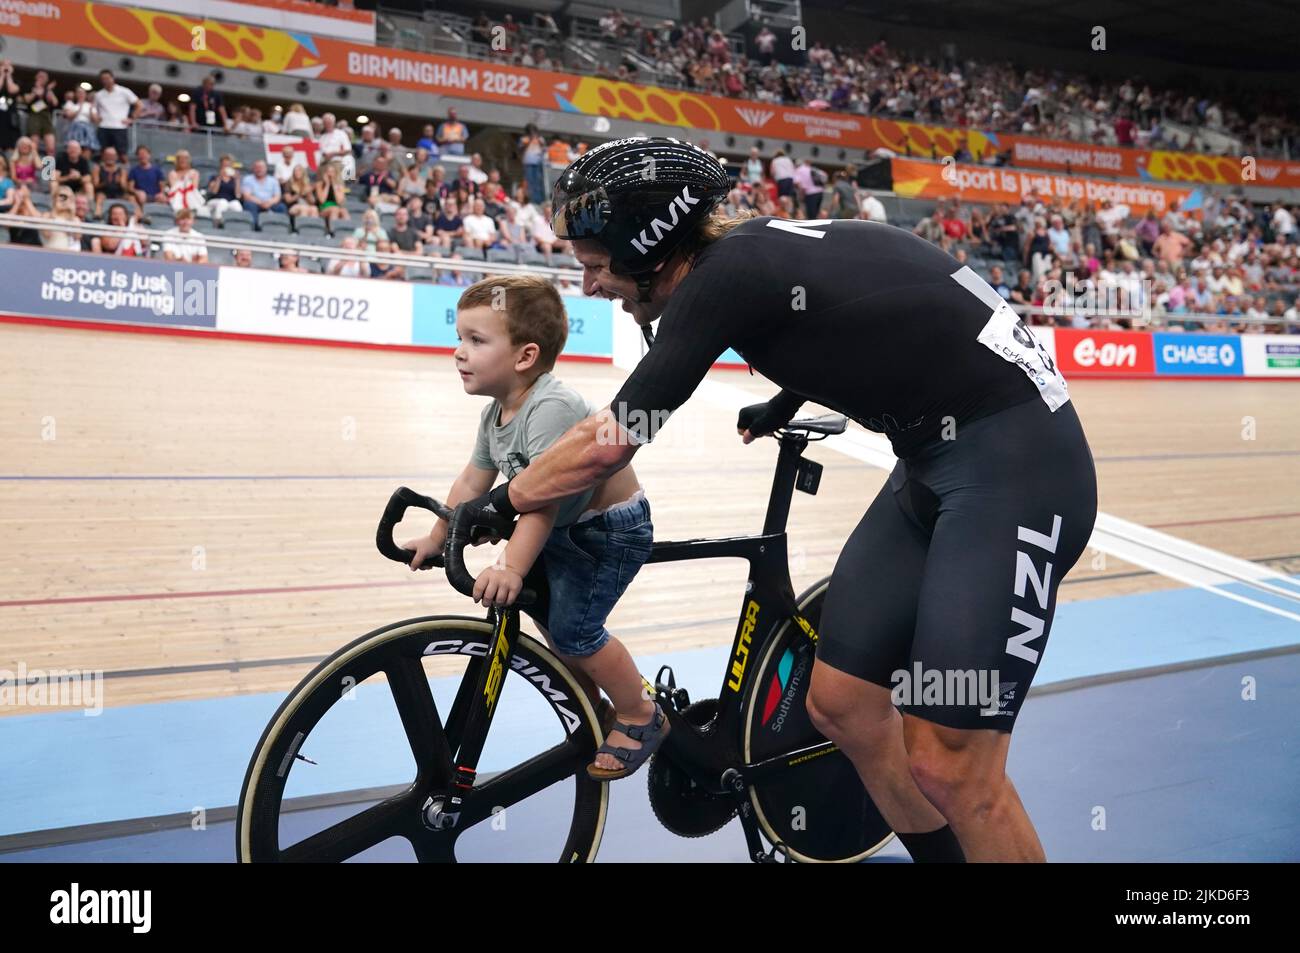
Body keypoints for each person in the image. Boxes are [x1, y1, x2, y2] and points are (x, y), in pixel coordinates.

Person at [455, 137, 1097, 862]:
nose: (591, 284)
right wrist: (786, 395)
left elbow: (614, 438)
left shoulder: (724, 278)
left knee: (952, 764)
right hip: (938, 463)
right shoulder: (746, 261)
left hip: (1020, 471)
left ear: (647, 247)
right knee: (844, 707)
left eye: (597, 265)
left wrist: (502, 500)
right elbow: (854, 306)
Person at [403, 274, 662, 778]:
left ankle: (640, 713)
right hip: (564, 524)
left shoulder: (550, 406)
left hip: (607, 529)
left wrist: (509, 567)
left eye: (475, 341)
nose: (459, 352)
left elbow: (541, 503)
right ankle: (593, 705)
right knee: (550, 618)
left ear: (524, 357)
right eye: (460, 338)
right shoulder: (495, 414)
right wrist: (438, 537)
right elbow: (472, 482)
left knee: (575, 630)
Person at [92, 70, 138, 157]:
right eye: (103, 79)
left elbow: (139, 105)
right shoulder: (98, 94)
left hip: (119, 127)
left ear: (113, 78)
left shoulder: (124, 91)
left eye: (107, 78)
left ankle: (124, 170)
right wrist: (96, 117)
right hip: (103, 127)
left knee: (122, 154)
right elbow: (94, 108)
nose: (106, 80)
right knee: (103, 153)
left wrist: (131, 119)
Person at [241, 159, 286, 227]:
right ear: (253, 169)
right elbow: (246, 196)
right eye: (257, 167)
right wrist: (261, 203)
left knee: (281, 207)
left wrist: (269, 203)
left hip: (270, 203)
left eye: (261, 167)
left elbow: (277, 196)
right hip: (255, 203)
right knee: (249, 204)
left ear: (266, 169)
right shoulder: (248, 179)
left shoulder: (273, 180)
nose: (259, 169)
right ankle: (255, 226)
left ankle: (281, 227)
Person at [91, 145, 130, 219]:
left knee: (132, 198)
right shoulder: (97, 168)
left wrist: (121, 182)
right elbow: (95, 185)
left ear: (116, 157)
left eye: (112, 155)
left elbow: (125, 188)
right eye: (108, 155)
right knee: (100, 196)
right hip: (104, 192)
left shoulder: (122, 170)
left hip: (118, 193)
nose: (110, 157)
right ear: (104, 156)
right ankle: (98, 214)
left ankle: (140, 215)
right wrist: (105, 182)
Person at [203, 153, 243, 222]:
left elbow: (238, 195)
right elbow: (214, 192)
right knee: (223, 202)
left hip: (230, 202)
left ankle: (238, 225)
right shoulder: (214, 177)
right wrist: (219, 178)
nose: (226, 167)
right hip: (215, 201)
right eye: (224, 165)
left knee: (236, 204)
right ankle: (217, 221)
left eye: (228, 165)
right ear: (221, 166)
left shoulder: (235, 179)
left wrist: (237, 180)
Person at [315, 160, 350, 229]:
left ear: (335, 174)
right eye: (328, 172)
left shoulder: (340, 186)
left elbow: (339, 201)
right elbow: (322, 200)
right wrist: (327, 184)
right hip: (323, 209)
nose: (330, 174)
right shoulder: (319, 185)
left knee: (344, 211)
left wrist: (334, 185)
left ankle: (347, 229)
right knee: (335, 209)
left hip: (336, 207)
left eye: (332, 172)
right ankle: (332, 230)